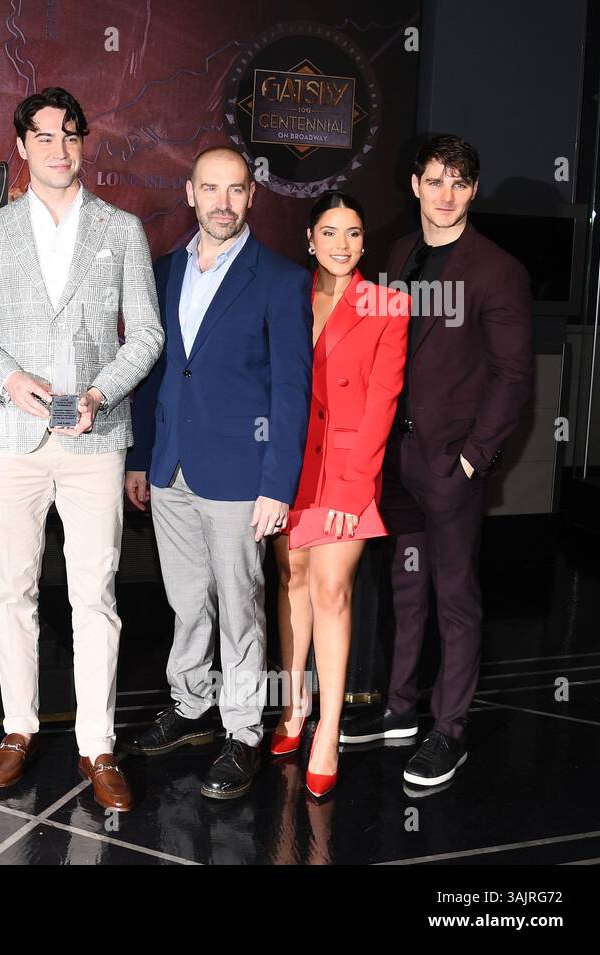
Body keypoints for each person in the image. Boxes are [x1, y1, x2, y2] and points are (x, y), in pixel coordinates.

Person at [0, 87, 163, 812]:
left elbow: (145, 333)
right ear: (20, 146)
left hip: (96, 440)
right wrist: (10, 378)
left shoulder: (123, 229)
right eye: (43, 136)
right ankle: (17, 729)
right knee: (11, 591)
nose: (57, 147)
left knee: (95, 596)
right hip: (15, 441)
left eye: (69, 134)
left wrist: (101, 394)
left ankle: (96, 741)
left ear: (84, 143)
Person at [339, 136, 533, 788]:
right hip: (397, 460)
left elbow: (512, 377)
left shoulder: (497, 269)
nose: (447, 193)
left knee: (455, 598)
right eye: (436, 180)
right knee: (404, 588)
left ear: (472, 191)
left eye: (460, 182)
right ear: (416, 185)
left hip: (452, 467)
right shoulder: (401, 254)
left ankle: (449, 731)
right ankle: (398, 710)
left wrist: (475, 460)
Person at [125, 144, 313, 801]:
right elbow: (151, 374)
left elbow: (293, 390)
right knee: (185, 600)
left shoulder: (282, 280)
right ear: (191, 193)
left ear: (252, 197)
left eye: (236, 190)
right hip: (171, 466)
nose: (223, 202)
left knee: (240, 608)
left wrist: (277, 484)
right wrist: (141, 457)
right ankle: (190, 703)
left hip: (241, 474)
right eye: (211, 189)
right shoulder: (163, 269)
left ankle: (242, 732)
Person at [270, 190, 409, 800]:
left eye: (353, 233)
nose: (342, 245)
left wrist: (355, 489)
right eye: (330, 232)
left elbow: (382, 405)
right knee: (291, 581)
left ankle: (328, 728)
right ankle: (293, 709)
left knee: (333, 589)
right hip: (290, 468)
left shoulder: (388, 305)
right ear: (309, 239)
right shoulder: (285, 297)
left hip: (347, 471)